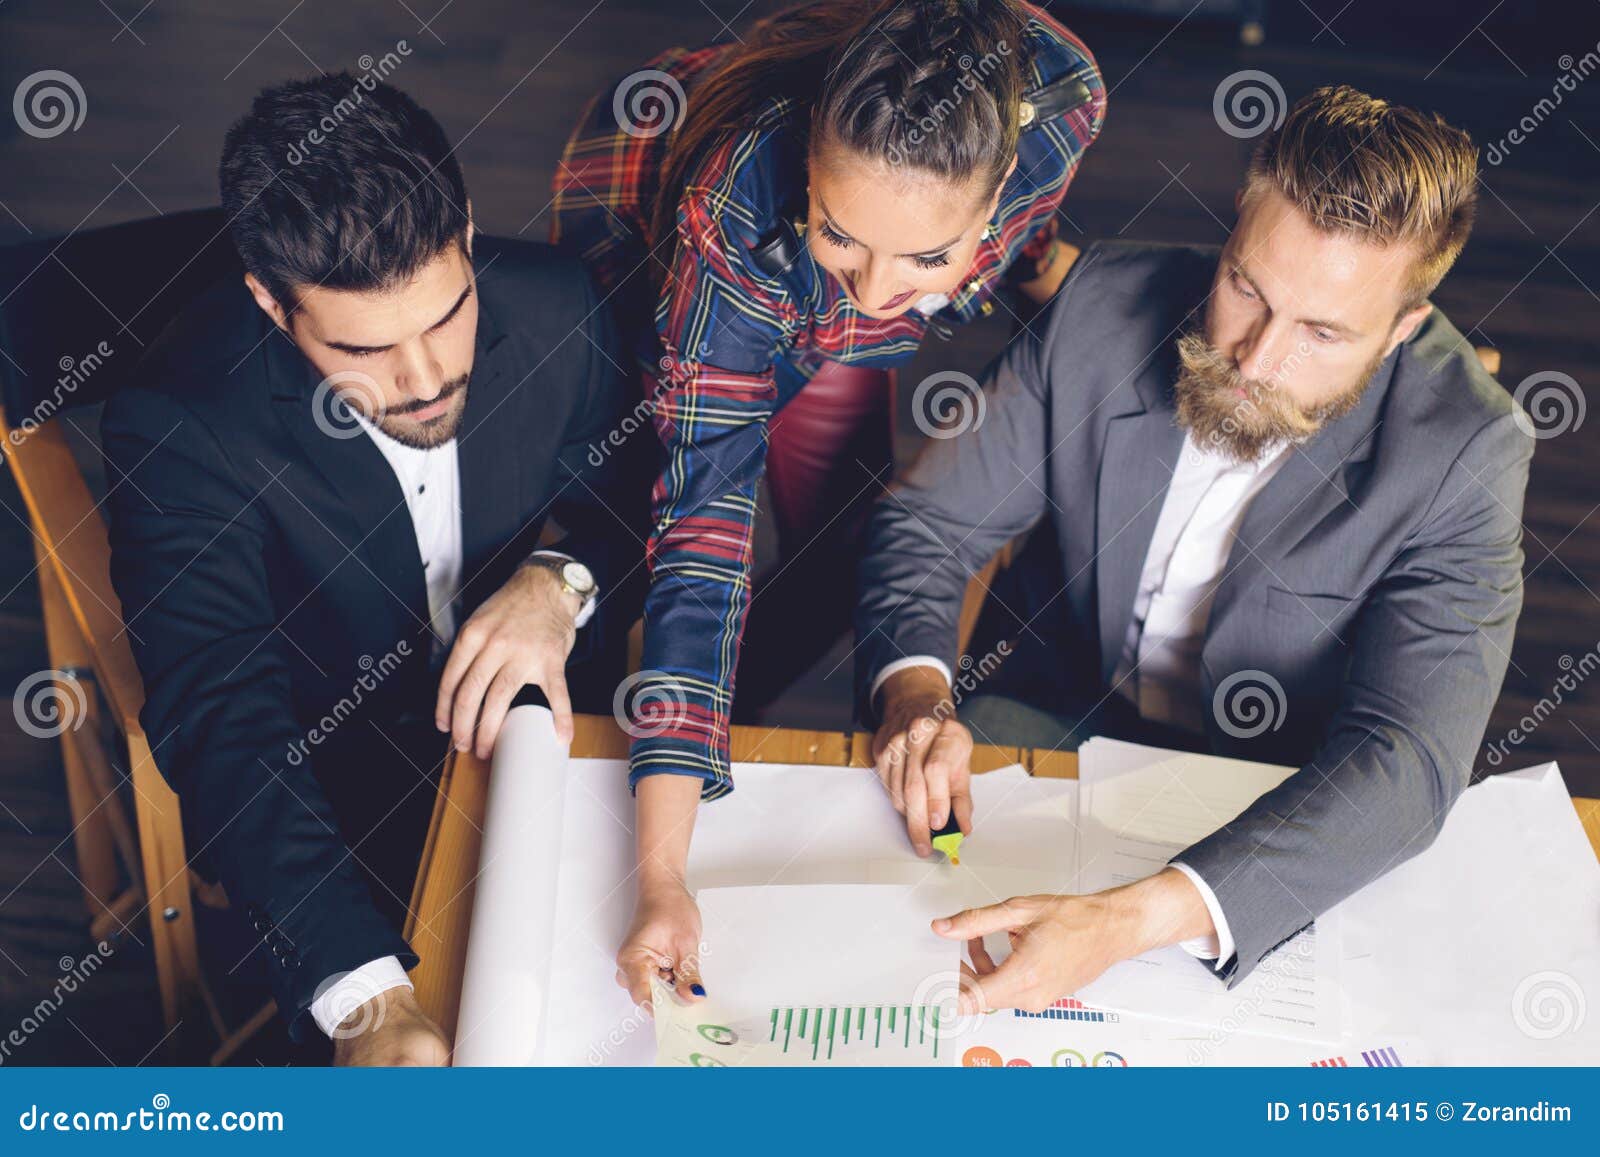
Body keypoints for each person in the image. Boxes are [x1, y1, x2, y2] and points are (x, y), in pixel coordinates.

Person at [855, 85, 1531, 1012]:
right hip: (1054, 726)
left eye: (1323, 333)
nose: (1255, 361)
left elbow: (1406, 758)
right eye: (1247, 288)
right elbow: (929, 523)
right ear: (1232, 235)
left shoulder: (1469, 447)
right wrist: (917, 693)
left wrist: (1137, 918)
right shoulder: (1098, 304)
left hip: (1276, 799)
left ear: (1404, 329)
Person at [550, 0, 1105, 1009]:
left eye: (926, 259)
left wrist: (1056, 291)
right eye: (844, 236)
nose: (878, 294)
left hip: (835, 259)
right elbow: (703, 535)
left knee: (852, 539)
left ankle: (737, 717)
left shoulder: (1065, 104)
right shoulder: (733, 210)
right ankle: (656, 727)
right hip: (651, 210)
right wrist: (664, 873)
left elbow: (1015, 233)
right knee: (637, 502)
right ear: (809, 170)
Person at [102, 75, 647, 1062]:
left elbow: (630, 506)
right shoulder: (178, 420)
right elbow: (224, 706)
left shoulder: (559, 301)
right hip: (337, 801)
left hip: (560, 741)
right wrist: (365, 998)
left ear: (469, 232)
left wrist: (557, 582)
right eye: (366, 348)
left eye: (446, 317)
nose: (427, 375)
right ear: (272, 303)